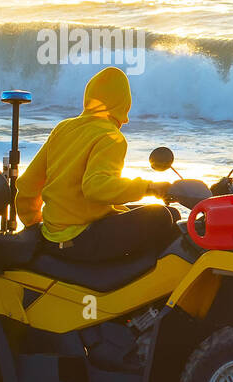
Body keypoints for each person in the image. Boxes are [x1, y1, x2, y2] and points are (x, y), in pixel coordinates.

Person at [15, 66, 177, 262]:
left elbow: (27, 184)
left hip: (52, 234)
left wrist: (34, 227)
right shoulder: (110, 137)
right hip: (79, 241)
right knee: (161, 217)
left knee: (171, 213)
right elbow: (96, 187)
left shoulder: (63, 128)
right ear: (124, 104)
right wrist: (149, 187)